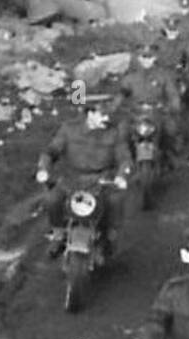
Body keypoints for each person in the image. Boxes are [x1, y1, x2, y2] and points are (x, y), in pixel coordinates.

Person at [37, 102, 132, 255]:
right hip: (71, 179)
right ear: (90, 114)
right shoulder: (69, 129)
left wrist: (121, 176)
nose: (106, 119)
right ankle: (58, 234)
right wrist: (44, 168)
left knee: (115, 201)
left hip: (101, 181)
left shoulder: (114, 134)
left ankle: (109, 235)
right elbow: (51, 150)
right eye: (103, 115)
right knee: (52, 199)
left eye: (108, 115)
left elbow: (124, 158)